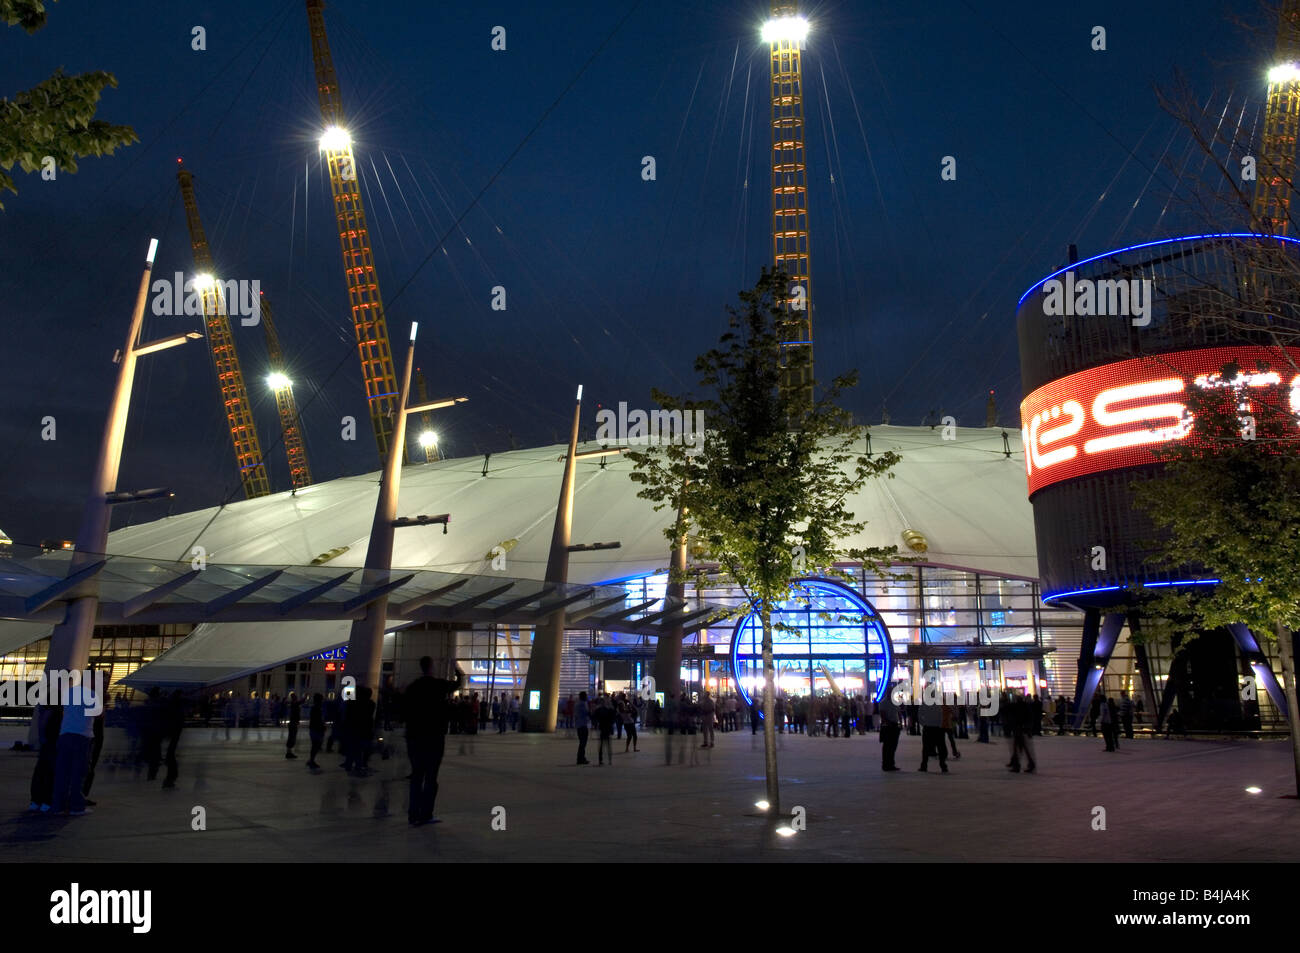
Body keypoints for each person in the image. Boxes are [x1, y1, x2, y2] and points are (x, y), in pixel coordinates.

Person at [404, 657, 461, 826]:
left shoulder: (413, 687)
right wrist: (456, 668)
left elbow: (403, 709)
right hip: (434, 736)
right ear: (432, 667)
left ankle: (413, 814)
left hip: (414, 736)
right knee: (430, 777)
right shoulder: (438, 685)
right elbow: (458, 683)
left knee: (416, 776)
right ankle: (426, 814)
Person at [50, 675, 100, 815]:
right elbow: (98, 714)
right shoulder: (91, 694)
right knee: (78, 773)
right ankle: (76, 806)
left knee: (62, 773)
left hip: (65, 734)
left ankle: (58, 806)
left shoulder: (68, 692)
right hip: (82, 736)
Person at [28, 704, 63, 812]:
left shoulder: (47, 702)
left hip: (48, 741)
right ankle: (46, 800)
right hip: (52, 741)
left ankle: (36, 800)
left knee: (41, 770)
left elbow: (42, 719)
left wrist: (41, 736)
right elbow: (45, 719)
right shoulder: (56, 704)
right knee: (49, 771)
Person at [161, 689, 184, 788]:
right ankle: (169, 780)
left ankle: (170, 779)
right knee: (171, 756)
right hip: (174, 732)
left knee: (171, 755)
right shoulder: (177, 708)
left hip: (173, 732)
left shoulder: (171, 706)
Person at [1007, 693, 1036, 773]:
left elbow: (1009, 711)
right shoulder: (1024, 706)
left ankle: (1018, 765)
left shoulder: (1017, 707)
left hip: (1019, 730)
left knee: (1019, 748)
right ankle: (1027, 764)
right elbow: (1029, 717)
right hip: (1021, 729)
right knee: (1022, 748)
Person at [917, 699, 948, 773]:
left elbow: (919, 715)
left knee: (926, 748)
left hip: (928, 728)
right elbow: (940, 714)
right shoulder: (937, 703)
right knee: (940, 747)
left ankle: (924, 766)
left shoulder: (925, 704)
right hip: (937, 728)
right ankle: (943, 765)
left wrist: (923, 723)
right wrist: (939, 725)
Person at [879, 683, 902, 772]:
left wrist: (899, 723)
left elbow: (899, 712)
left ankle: (891, 763)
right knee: (887, 746)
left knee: (893, 746)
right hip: (888, 727)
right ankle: (886, 764)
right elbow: (883, 716)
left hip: (895, 726)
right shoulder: (883, 702)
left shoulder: (895, 702)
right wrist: (890, 723)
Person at [593, 694, 616, 765]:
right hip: (608, 728)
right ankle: (610, 760)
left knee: (602, 744)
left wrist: (596, 725)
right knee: (608, 745)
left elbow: (595, 717)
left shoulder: (599, 710)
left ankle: (600, 760)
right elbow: (613, 719)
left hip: (602, 728)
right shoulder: (609, 710)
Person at [306, 693, 326, 769]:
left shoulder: (315, 708)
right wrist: (321, 727)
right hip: (316, 729)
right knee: (315, 746)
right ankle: (311, 760)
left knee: (315, 746)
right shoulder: (316, 709)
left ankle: (311, 760)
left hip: (314, 729)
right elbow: (317, 720)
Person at [574, 691, 590, 764]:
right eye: (586, 696)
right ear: (584, 697)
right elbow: (586, 713)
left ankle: (581, 758)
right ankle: (581, 758)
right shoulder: (583, 704)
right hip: (583, 725)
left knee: (581, 742)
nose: (587, 697)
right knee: (583, 743)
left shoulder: (577, 704)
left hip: (578, 725)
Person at [285, 692, 301, 760]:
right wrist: (304, 697)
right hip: (293, 723)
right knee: (292, 737)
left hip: (293, 722)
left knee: (291, 737)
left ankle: (289, 752)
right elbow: (300, 702)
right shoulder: (294, 703)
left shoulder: (293, 704)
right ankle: (289, 752)